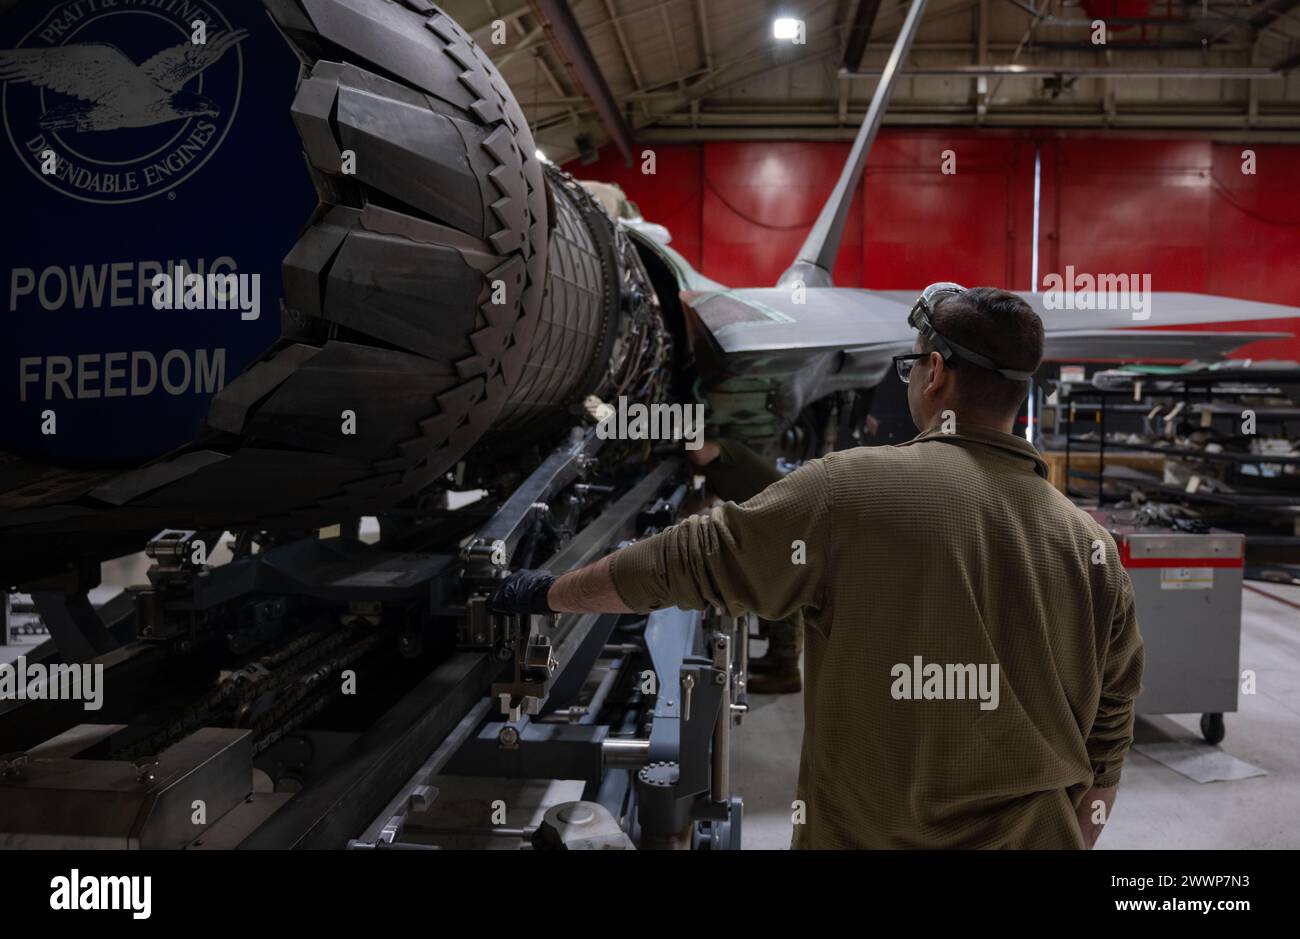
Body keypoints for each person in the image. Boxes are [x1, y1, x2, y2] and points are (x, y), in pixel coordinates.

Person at [493, 285, 1144, 849]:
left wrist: (549, 592)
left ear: (936, 371)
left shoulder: (850, 490)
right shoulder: (1092, 548)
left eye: (913, 366)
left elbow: (684, 560)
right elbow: (1110, 733)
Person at [685, 438, 804, 695]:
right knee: (771, 592)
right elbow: (700, 502)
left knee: (785, 594)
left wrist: (673, 434)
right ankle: (776, 658)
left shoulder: (726, 449)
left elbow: (698, 452)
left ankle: (787, 672)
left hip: (788, 523)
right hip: (772, 528)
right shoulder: (717, 472)